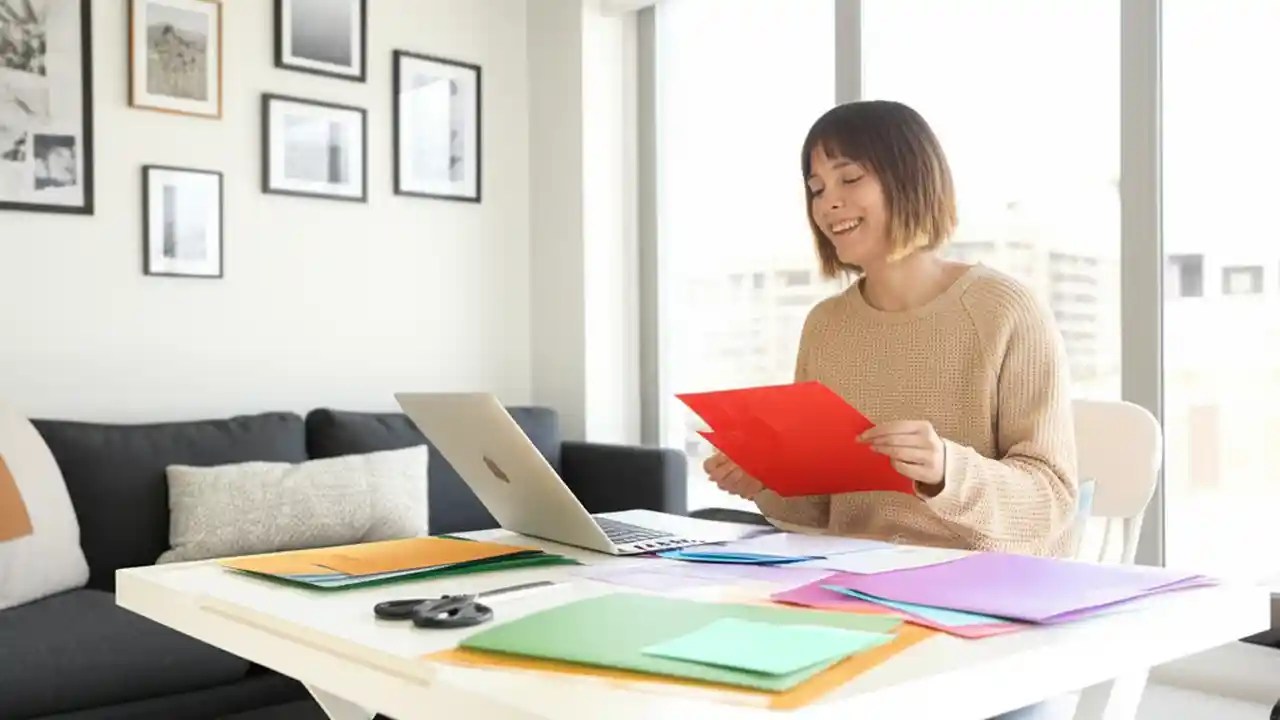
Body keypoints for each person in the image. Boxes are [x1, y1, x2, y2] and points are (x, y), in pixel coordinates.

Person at [703, 99, 1081, 560]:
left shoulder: (1004, 310)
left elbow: (1052, 502)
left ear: (910, 179)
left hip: (984, 590)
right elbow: (818, 512)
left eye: (850, 179)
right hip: (854, 581)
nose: (828, 203)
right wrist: (764, 482)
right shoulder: (826, 326)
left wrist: (947, 470)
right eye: (816, 188)